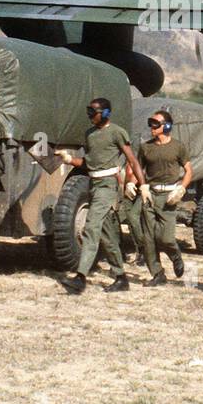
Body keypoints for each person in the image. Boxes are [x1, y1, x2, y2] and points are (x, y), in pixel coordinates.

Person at [56, 98, 144, 295]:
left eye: (93, 111)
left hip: (107, 186)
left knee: (91, 227)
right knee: (106, 235)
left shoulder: (117, 132)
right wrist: (69, 159)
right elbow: (89, 163)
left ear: (105, 113)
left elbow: (132, 160)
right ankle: (121, 277)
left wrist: (142, 185)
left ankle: (80, 277)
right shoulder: (89, 135)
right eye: (88, 111)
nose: (89, 115)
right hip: (94, 186)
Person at [132, 109, 190, 286]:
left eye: (155, 124)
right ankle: (157, 274)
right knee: (148, 239)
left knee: (165, 238)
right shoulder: (146, 147)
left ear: (167, 126)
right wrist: (130, 183)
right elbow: (138, 170)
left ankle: (175, 256)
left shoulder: (178, 147)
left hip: (168, 197)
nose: (151, 127)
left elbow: (188, 171)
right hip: (150, 194)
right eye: (150, 123)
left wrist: (181, 189)